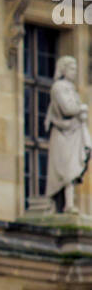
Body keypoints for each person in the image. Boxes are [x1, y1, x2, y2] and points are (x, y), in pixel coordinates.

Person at [44, 55, 91, 212]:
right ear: (63, 70)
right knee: (65, 169)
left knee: (71, 169)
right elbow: (67, 108)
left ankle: (69, 203)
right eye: (71, 69)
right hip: (63, 133)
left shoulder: (70, 88)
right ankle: (63, 203)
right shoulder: (59, 87)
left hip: (73, 133)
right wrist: (82, 109)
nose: (75, 72)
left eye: (76, 69)